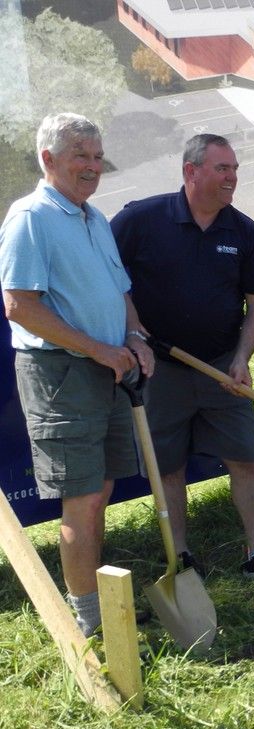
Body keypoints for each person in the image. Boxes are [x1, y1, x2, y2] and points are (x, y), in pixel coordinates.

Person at [111, 134, 254, 583]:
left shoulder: (244, 232)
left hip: (221, 368)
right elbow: (110, 280)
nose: (232, 177)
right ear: (191, 171)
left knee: (244, 459)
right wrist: (134, 328)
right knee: (168, 468)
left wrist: (242, 357)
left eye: (234, 169)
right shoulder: (140, 220)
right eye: (222, 168)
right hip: (162, 369)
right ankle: (181, 559)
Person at [0, 113, 154, 636]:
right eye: (80, 156)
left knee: (99, 489)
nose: (92, 166)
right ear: (48, 159)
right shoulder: (31, 217)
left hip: (108, 368)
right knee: (83, 498)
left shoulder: (93, 217)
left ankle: (98, 603)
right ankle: (90, 622)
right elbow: (20, 306)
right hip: (62, 373)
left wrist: (134, 337)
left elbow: (120, 290)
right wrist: (99, 350)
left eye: (97, 156)